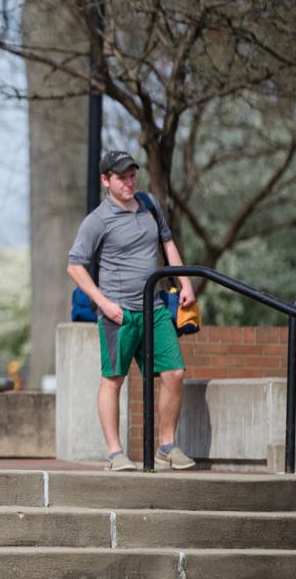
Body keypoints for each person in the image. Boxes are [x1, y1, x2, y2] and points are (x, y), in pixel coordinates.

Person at [67, 150, 198, 472]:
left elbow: (167, 243)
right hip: (119, 313)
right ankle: (115, 453)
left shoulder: (150, 204)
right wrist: (104, 303)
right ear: (105, 180)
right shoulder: (97, 220)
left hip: (154, 308)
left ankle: (166, 446)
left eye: (131, 175)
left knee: (175, 373)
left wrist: (185, 283)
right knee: (113, 379)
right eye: (121, 177)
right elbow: (74, 266)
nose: (128, 182)